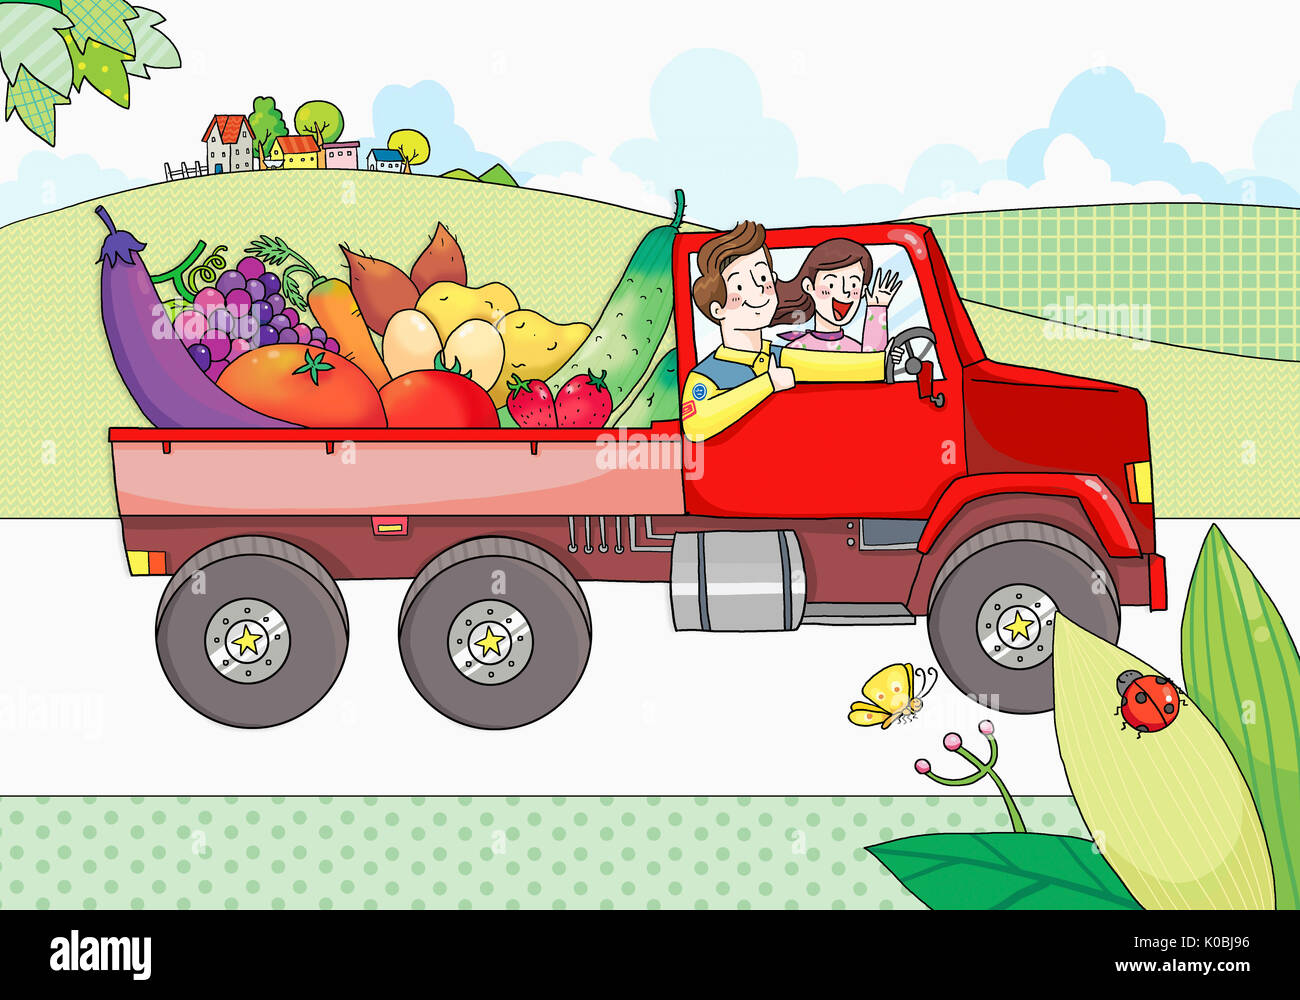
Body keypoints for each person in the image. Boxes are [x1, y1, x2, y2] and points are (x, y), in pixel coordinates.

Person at [681, 221, 795, 442]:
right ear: (718, 308)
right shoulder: (706, 375)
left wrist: (880, 365)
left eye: (763, 278)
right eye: (740, 287)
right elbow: (695, 425)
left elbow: (827, 365)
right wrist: (768, 383)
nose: (760, 291)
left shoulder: (780, 356)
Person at [771, 238, 902, 351]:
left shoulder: (855, 349)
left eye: (853, 285)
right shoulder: (795, 349)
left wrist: (877, 308)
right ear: (809, 287)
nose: (845, 292)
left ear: (863, 291)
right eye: (831, 285)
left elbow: (874, 365)